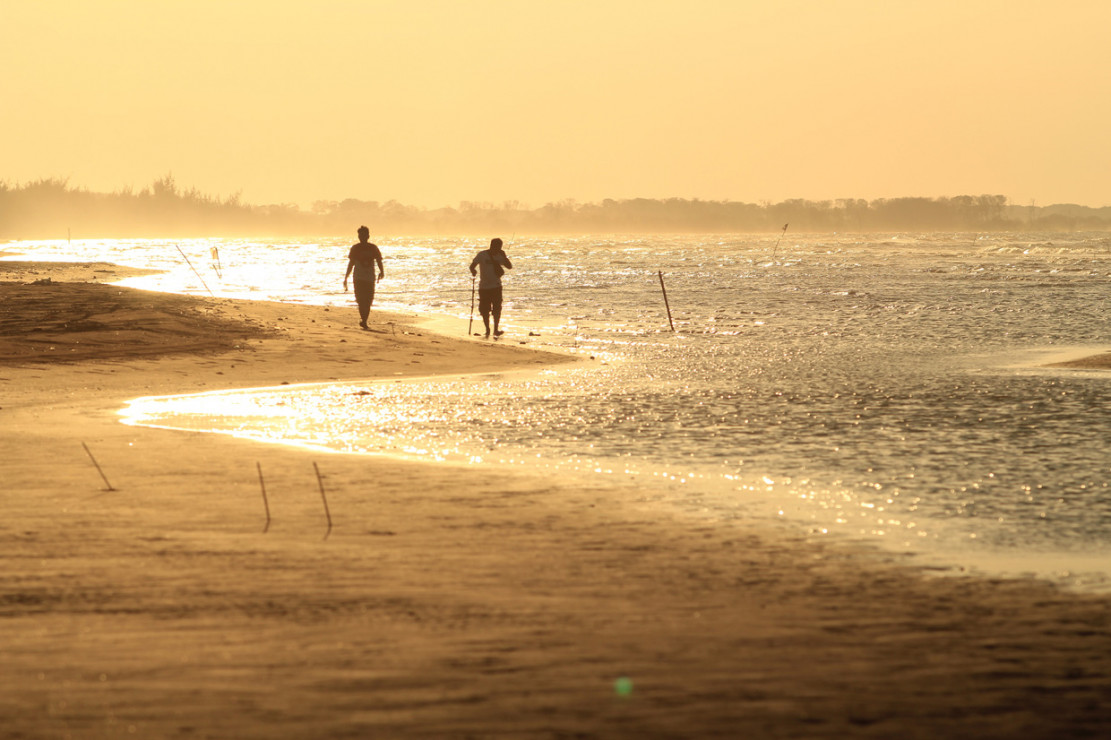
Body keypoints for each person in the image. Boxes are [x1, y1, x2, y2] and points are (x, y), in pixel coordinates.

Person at [469, 237, 513, 338]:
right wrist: (473, 271)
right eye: (498, 247)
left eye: (500, 247)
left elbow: (509, 266)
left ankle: (495, 329)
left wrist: (505, 257)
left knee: (497, 309)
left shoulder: (500, 256)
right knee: (484, 310)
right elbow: (472, 266)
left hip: (496, 286)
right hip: (484, 287)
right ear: (492, 245)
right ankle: (487, 329)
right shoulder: (482, 255)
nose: (499, 249)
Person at [343, 226, 385, 329]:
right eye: (360, 235)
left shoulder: (373, 248)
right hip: (358, 277)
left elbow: (379, 260)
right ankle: (364, 320)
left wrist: (382, 271)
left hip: (370, 278)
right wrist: (346, 277)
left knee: (368, 300)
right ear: (358, 236)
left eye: (364, 235)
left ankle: (364, 320)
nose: (362, 237)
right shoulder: (355, 248)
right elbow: (351, 263)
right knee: (360, 300)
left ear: (368, 236)